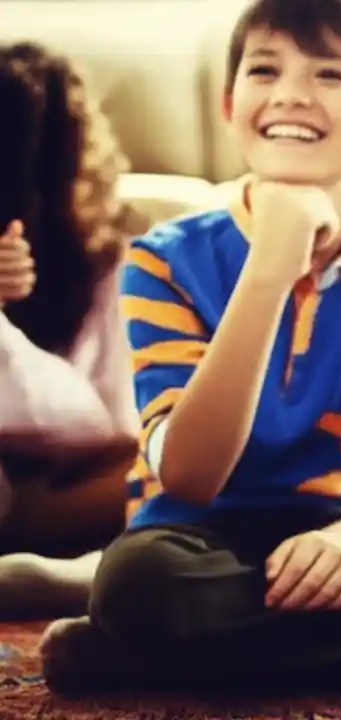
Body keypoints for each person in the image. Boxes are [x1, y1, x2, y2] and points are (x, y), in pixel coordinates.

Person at [39, 0, 341, 695]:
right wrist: (270, 267)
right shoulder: (161, 261)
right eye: (264, 69)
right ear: (230, 102)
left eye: (330, 74)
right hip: (195, 543)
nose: (291, 94)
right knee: (140, 585)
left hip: (333, 536)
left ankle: (142, 661)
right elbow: (188, 475)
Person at [0, 41, 143, 616]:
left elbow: (117, 424)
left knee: (180, 461)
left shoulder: (117, 258)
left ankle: (51, 560)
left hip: (76, 488)